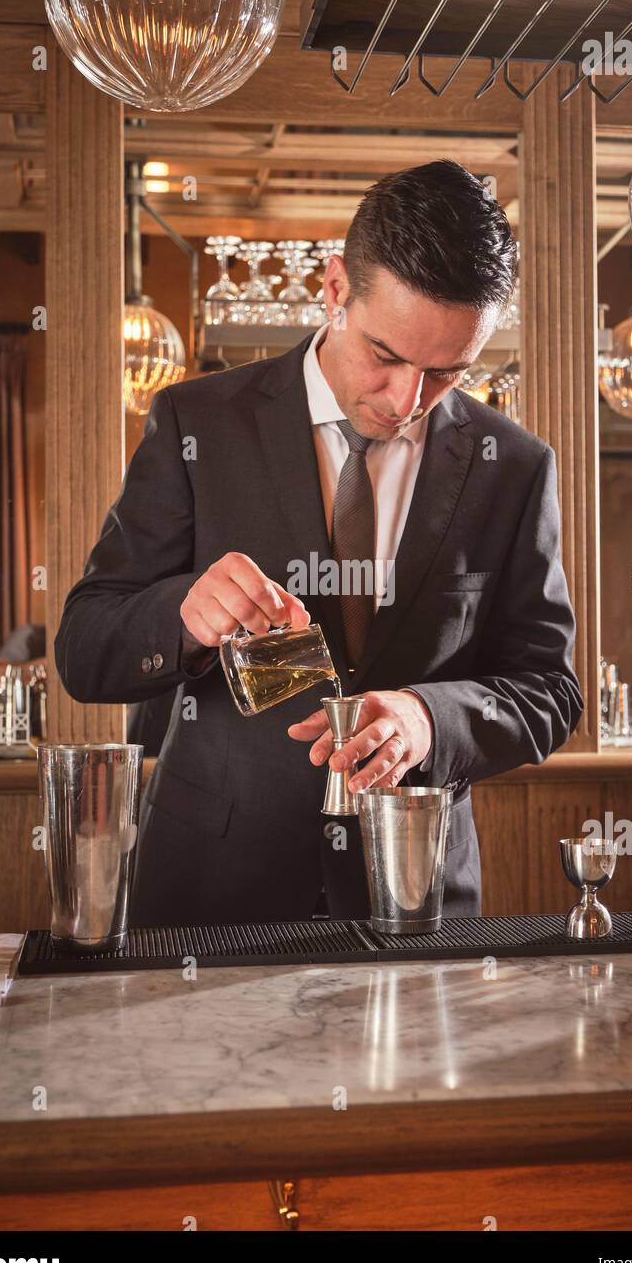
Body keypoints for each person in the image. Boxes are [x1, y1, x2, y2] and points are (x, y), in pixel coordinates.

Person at [55, 160, 583, 925]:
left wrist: (427, 719)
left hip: (414, 894)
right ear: (335, 290)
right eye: (387, 356)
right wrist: (183, 614)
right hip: (214, 893)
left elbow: (550, 689)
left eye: (448, 374)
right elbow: (83, 647)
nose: (406, 402)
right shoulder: (195, 425)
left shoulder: (517, 466)